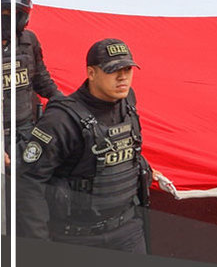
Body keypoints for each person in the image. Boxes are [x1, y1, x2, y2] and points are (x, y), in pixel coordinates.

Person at [18, 39, 152, 253]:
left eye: (128, 69)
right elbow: (29, 182)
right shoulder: (60, 120)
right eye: (114, 70)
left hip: (128, 230)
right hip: (78, 238)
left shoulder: (128, 102)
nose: (123, 77)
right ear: (91, 73)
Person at [2, 0, 63, 232]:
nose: (7, 19)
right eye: (3, 12)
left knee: (33, 214)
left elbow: (41, 79)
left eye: (14, 13)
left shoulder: (29, 41)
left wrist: (65, 105)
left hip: (26, 135)